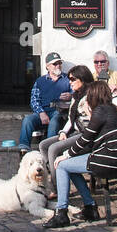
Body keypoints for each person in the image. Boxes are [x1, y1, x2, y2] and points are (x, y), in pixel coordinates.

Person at [42, 80, 117, 228]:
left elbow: (86, 138)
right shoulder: (116, 110)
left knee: (62, 165)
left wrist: (66, 155)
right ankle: (90, 207)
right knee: (71, 166)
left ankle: (62, 213)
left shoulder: (100, 111)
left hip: (109, 160)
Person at [40, 64, 94, 195]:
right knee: (44, 145)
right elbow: (71, 119)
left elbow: (95, 123)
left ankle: (57, 188)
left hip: (86, 136)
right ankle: (57, 177)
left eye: (73, 79)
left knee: (54, 149)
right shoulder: (76, 96)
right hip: (74, 132)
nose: (70, 82)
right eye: (69, 79)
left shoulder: (91, 96)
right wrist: (63, 132)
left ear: (83, 79)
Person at [19, 52, 71, 152]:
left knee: (54, 122)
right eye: (55, 64)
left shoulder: (68, 79)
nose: (58, 66)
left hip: (59, 112)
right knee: (28, 120)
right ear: (47, 66)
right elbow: (34, 100)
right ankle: (24, 149)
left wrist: (71, 95)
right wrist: (41, 113)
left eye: (59, 63)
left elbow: (77, 96)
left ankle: (48, 150)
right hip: (43, 111)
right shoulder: (40, 81)